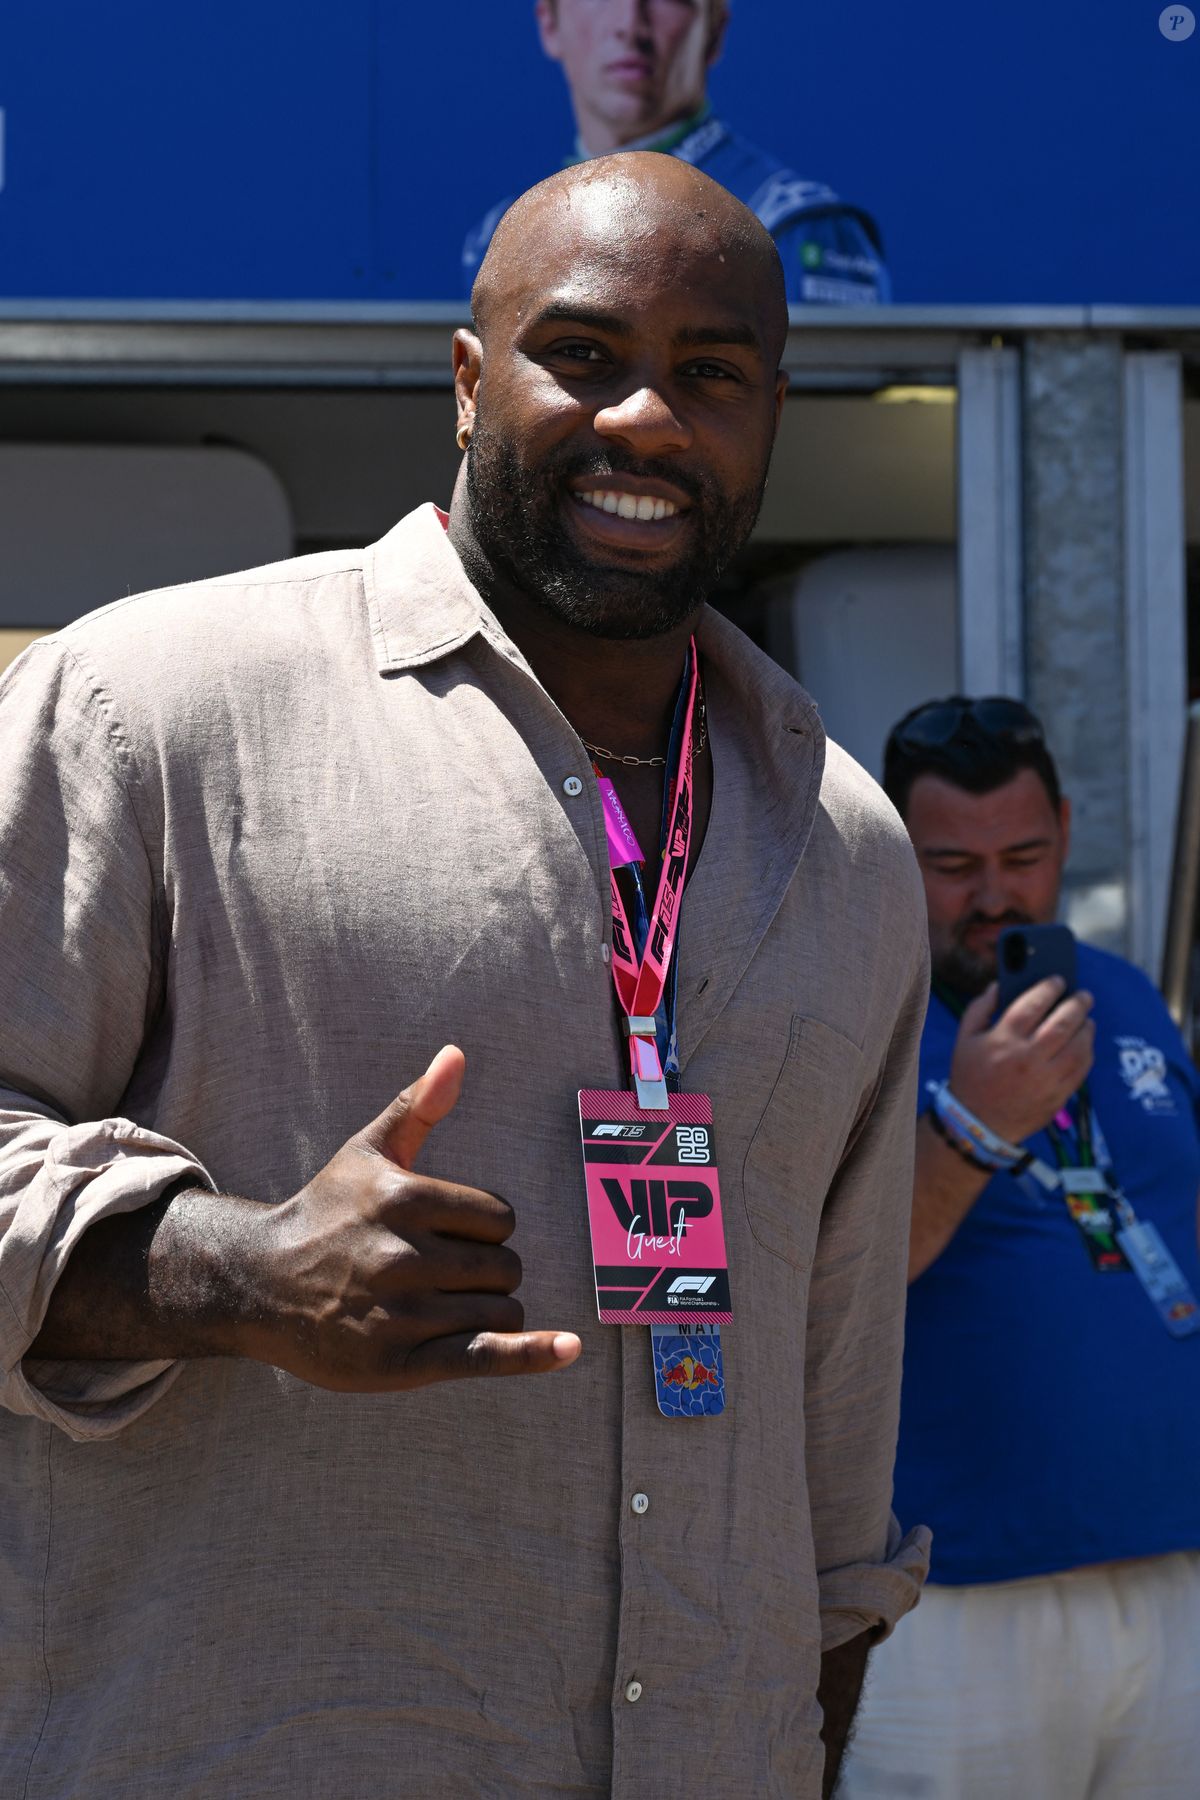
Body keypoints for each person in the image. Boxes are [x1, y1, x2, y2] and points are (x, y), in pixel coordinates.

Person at [0, 155, 928, 1799]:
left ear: (773, 413)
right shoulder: (153, 705)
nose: (647, 419)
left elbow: (832, 1424)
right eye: (582, 353)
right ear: (465, 379)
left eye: (711, 374)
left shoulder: (844, 845)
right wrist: (233, 1271)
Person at [840, 696, 1200, 1799]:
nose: (994, 895)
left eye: (1024, 855)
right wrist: (975, 1121)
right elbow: (835, 1279)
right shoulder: (855, 1010)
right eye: (952, 862)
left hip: (1173, 1570)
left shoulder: (1130, 997)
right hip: (955, 1601)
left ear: (1068, 836)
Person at [462, 0, 889, 305]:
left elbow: (833, 425)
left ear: (715, 31)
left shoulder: (794, 228)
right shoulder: (499, 239)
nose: (630, 23)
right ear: (549, 23)